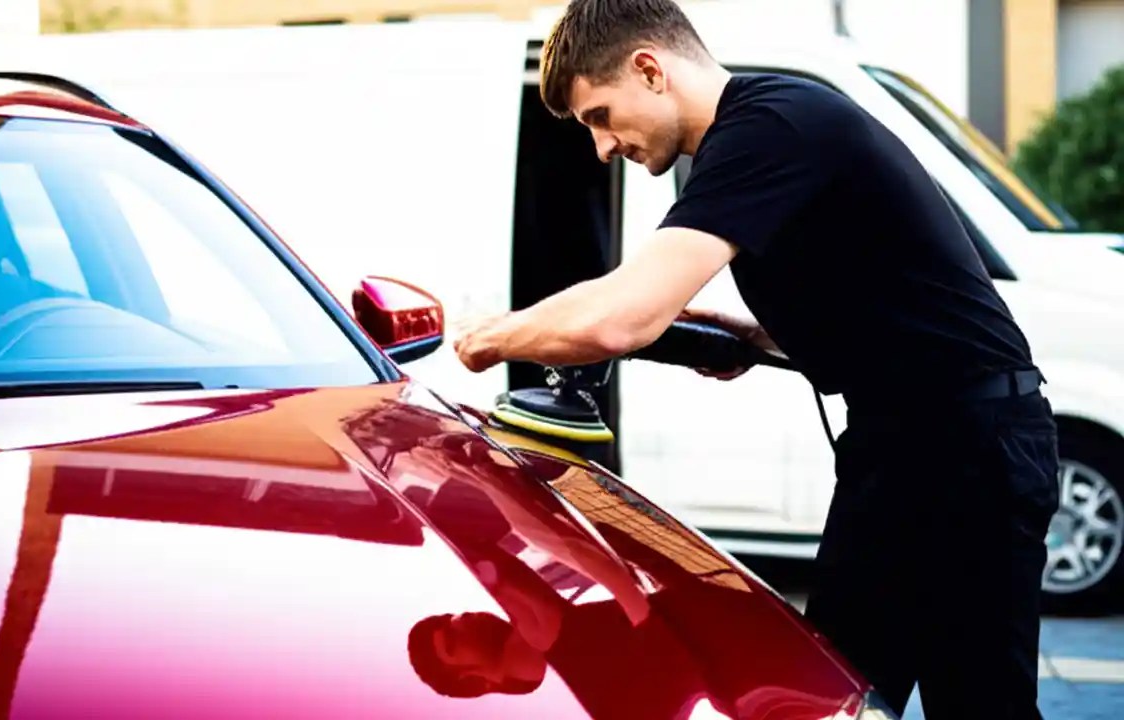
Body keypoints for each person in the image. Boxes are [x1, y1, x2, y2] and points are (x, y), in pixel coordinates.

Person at [450, 0, 1060, 717]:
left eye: (600, 116)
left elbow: (624, 317)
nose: (603, 147)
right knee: (838, 690)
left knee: (945, 700)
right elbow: (891, 299)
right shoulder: (760, 133)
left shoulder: (767, 127)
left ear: (649, 68)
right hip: (918, 442)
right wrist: (758, 333)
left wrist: (492, 337)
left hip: (963, 449)